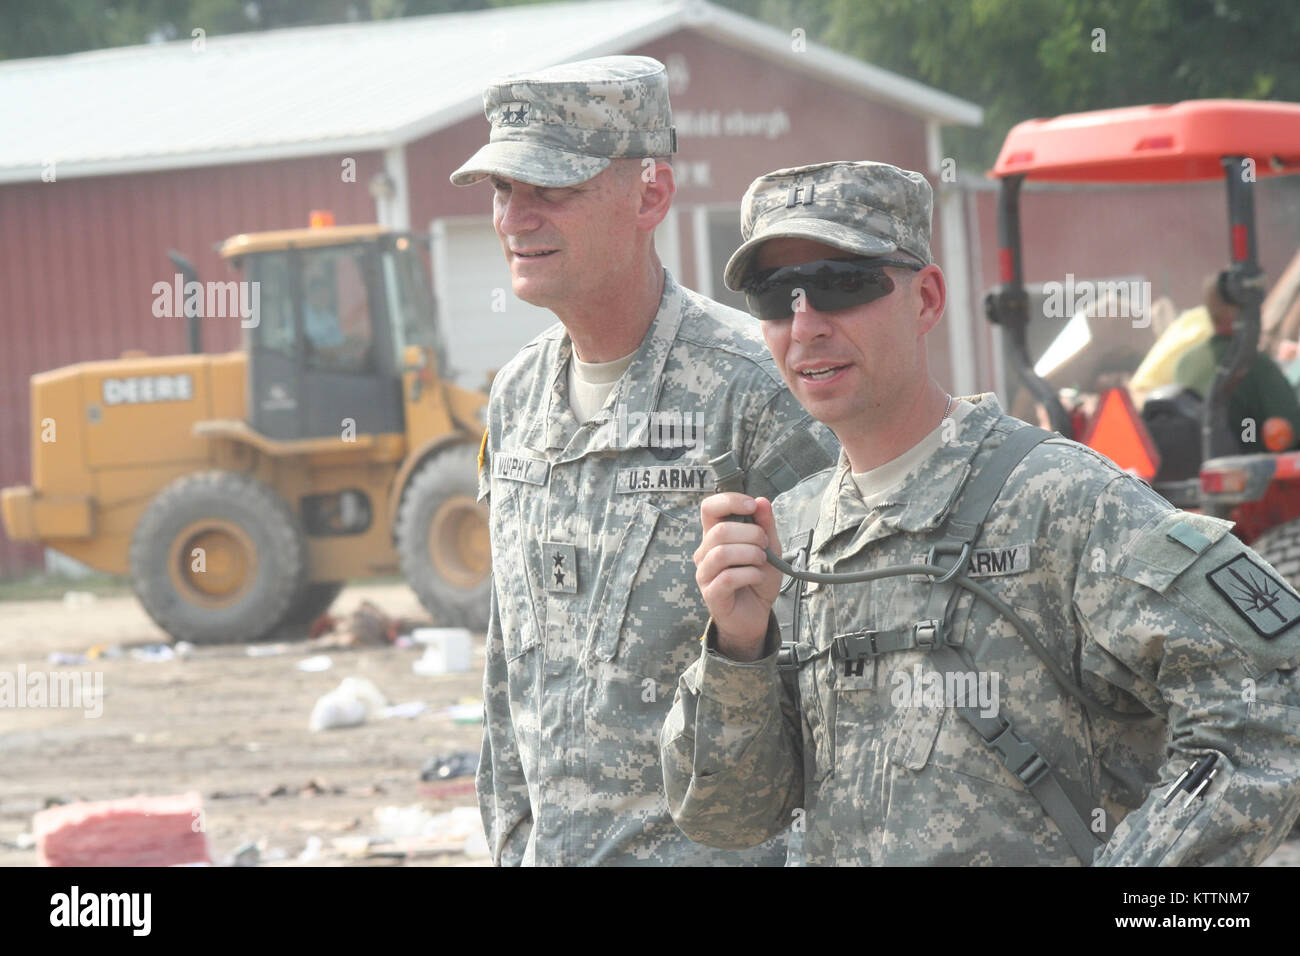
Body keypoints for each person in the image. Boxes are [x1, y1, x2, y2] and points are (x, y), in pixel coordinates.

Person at [660, 160, 1300, 865]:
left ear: (926, 299)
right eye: (776, 296)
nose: (805, 325)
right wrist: (741, 651)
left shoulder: (1060, 501)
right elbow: (730, 817)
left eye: (844, 283)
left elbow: (1274, 700)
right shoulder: (790, 537)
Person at [449, 56, 837, 866]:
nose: (516, 219)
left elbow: (837, 678)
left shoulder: (753, 394)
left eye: (550, 189)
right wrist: (511, 839)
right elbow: (507, 665)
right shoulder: (518, 397)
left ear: (650, 195)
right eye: (501, 191)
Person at [1174, 272, 1300, 450]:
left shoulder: (1184, 364)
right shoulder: (1255, 365)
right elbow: (1292, 430)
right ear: (1245, 311)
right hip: (1251, 473)